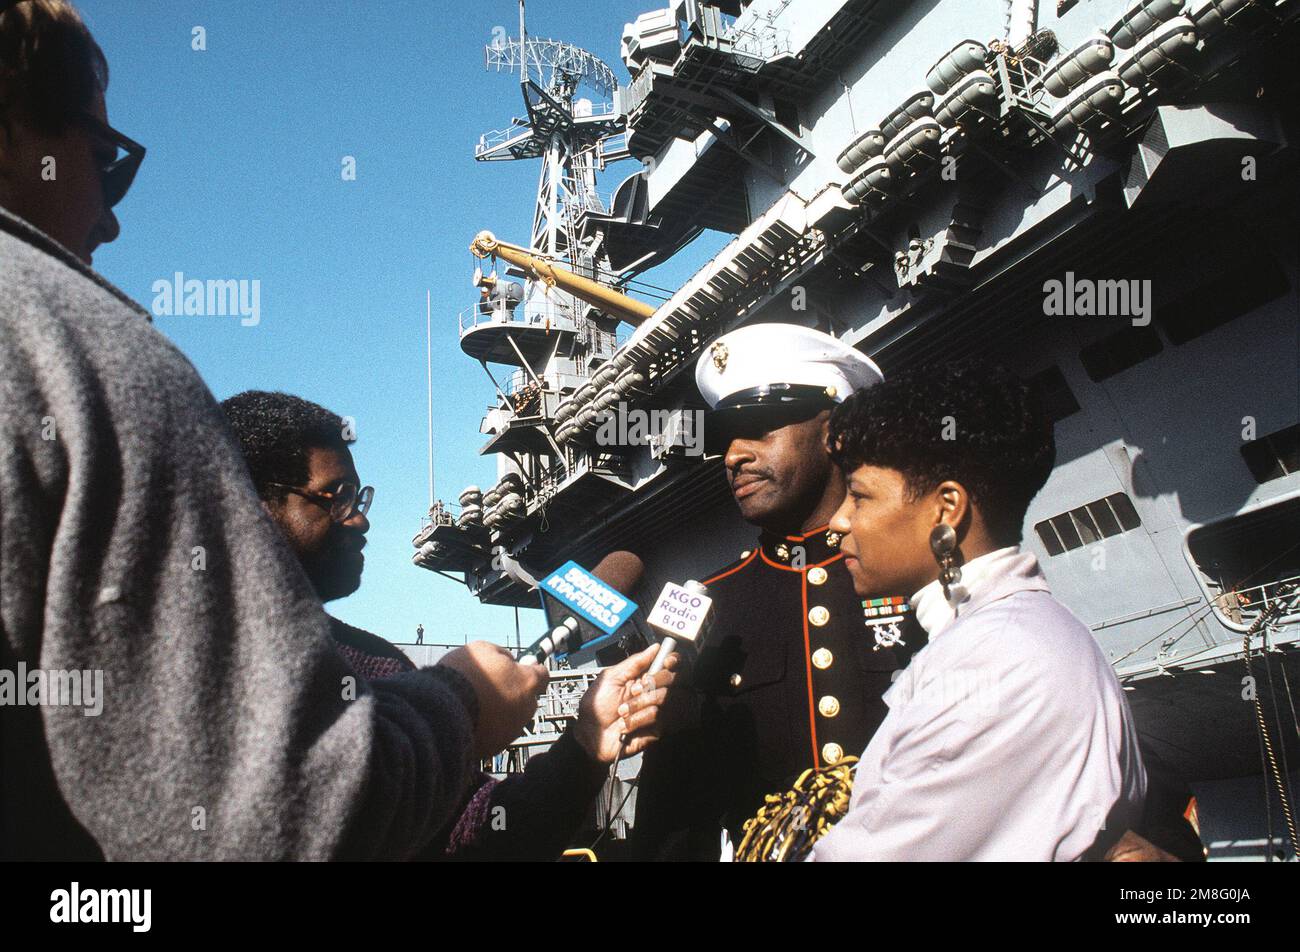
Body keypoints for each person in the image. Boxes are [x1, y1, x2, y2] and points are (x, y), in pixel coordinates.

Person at [0, 0, 545, 860]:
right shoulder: (81, 354)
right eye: (104, 161)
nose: (109, 218)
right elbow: (281, 817)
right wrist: (464, 701)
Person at [220, 390, 677, 859]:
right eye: (337, 498)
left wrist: (585, 745)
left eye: (359, 498)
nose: (359, 521)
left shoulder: (375, 665)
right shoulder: (196, 667)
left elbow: (476, 836)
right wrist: (460, 698)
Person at [811, 361, 1145, 860]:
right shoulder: (1009, 633)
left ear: (947, 508)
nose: (838, 521)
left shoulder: (991, 659)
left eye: (858, 496)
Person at [630, 324, 925, 860]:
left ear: (835, 432)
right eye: (725, 439)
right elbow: (674, 812)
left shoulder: (918, 575)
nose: (732, 457)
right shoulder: (708, 605)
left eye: (758, 428)